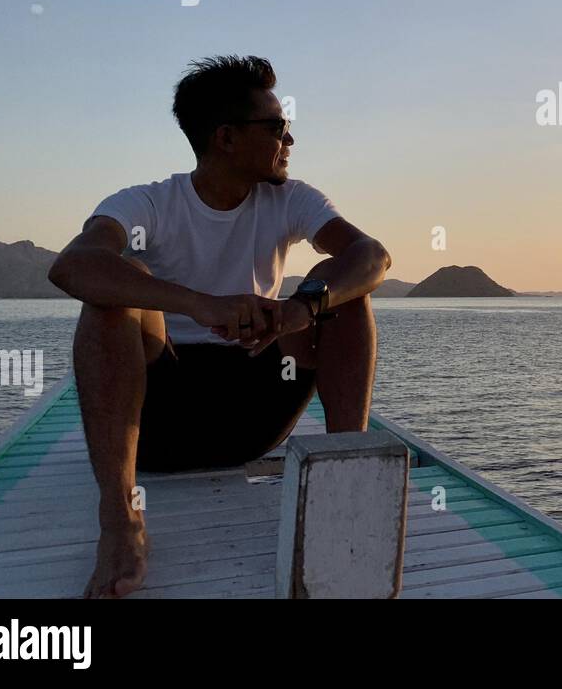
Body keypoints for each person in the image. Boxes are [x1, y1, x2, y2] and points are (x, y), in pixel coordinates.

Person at [48, 55, 392, 599]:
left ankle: (340, 483)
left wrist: (303, 307)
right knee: (111, 291)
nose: (290, 139)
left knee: (340, 284)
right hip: (157, 422)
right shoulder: (146, 203)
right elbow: (72, 265)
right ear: (227, 137)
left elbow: (373, 255)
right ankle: (120, 521)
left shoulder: (291, 198)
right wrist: (199, 305)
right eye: (277, 127)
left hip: (256, 413)